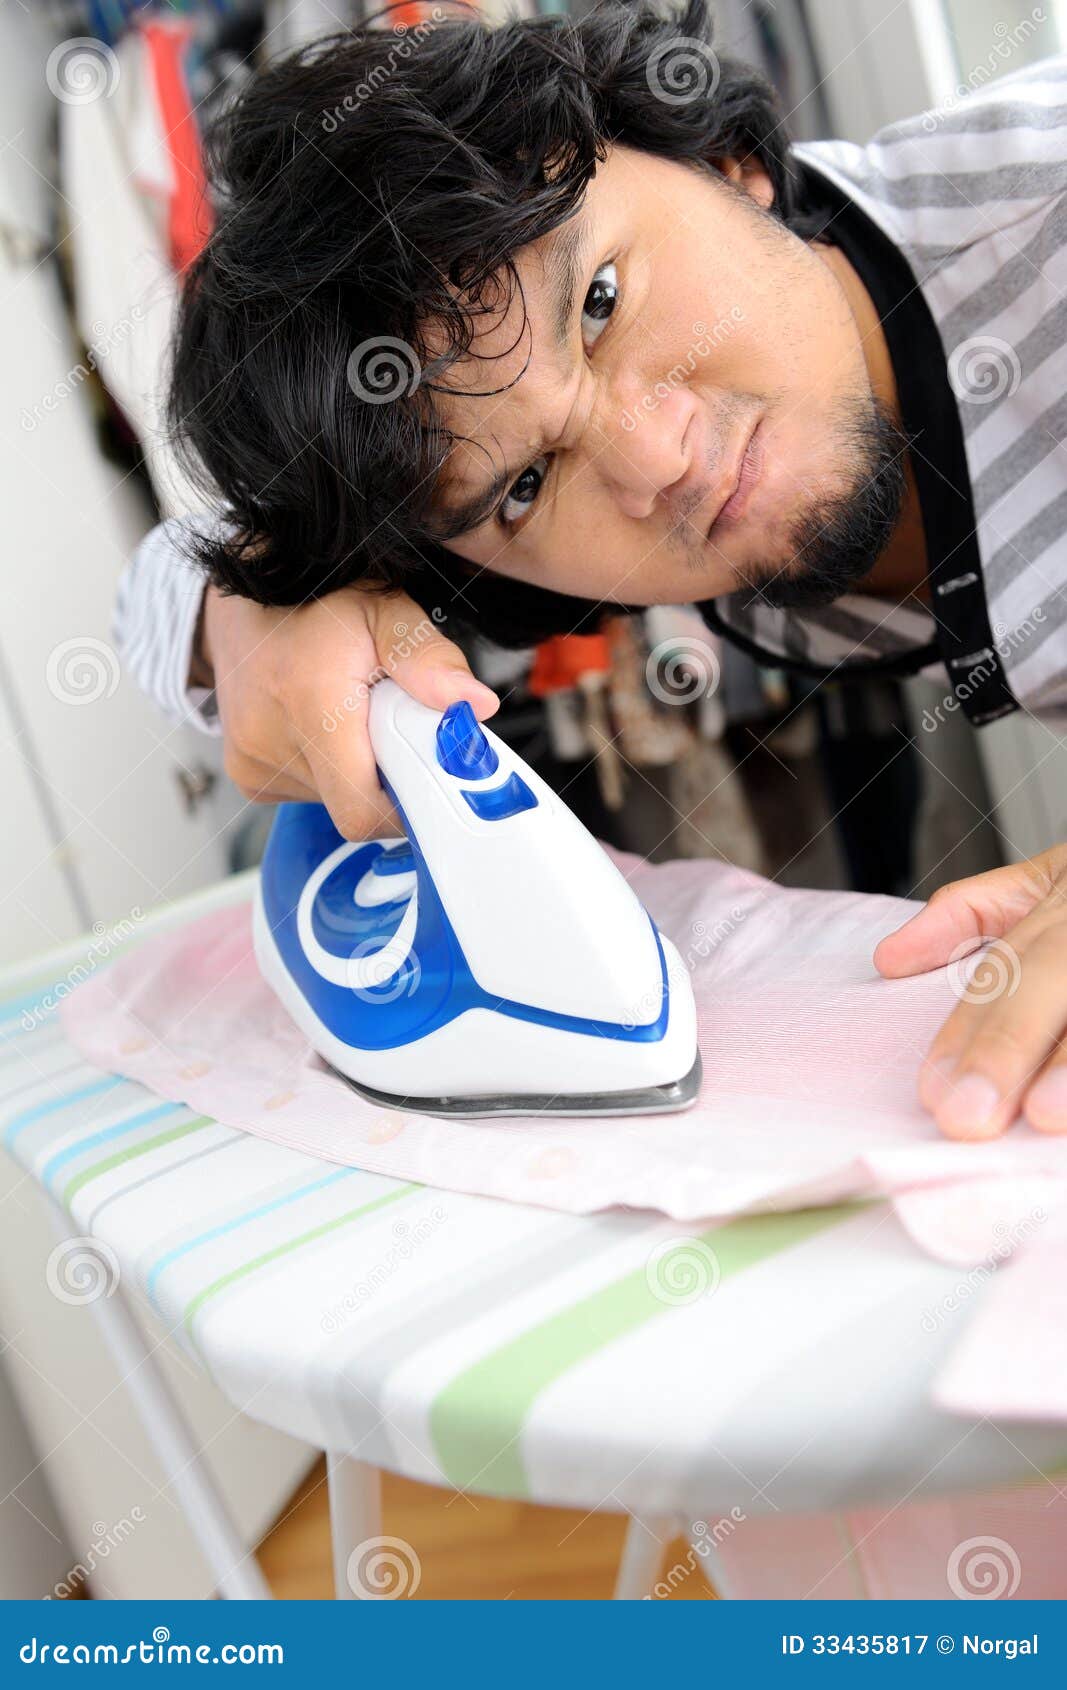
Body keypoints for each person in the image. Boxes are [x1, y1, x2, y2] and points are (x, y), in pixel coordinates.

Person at [115, 0, 1067, 1144]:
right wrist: (257, 617)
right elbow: (157, 581)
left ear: (722, 162)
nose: (654, 459)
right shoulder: (507, 505)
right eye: (523, 484)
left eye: (603, 301)